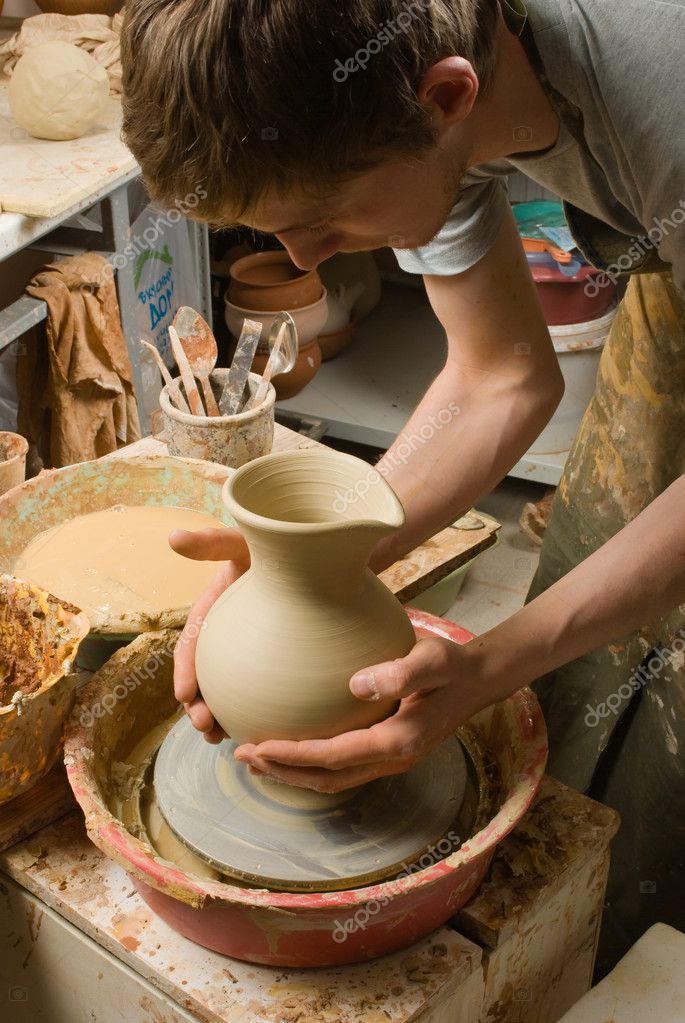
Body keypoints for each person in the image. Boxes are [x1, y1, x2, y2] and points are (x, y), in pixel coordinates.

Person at [120, 0, 685, 971]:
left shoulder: (664, 94)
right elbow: (500, 372)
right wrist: (314, 557)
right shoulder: (420, 91)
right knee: (598, 653)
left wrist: (490, 668)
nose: (299, 261)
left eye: (320, 222)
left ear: (448, 98)